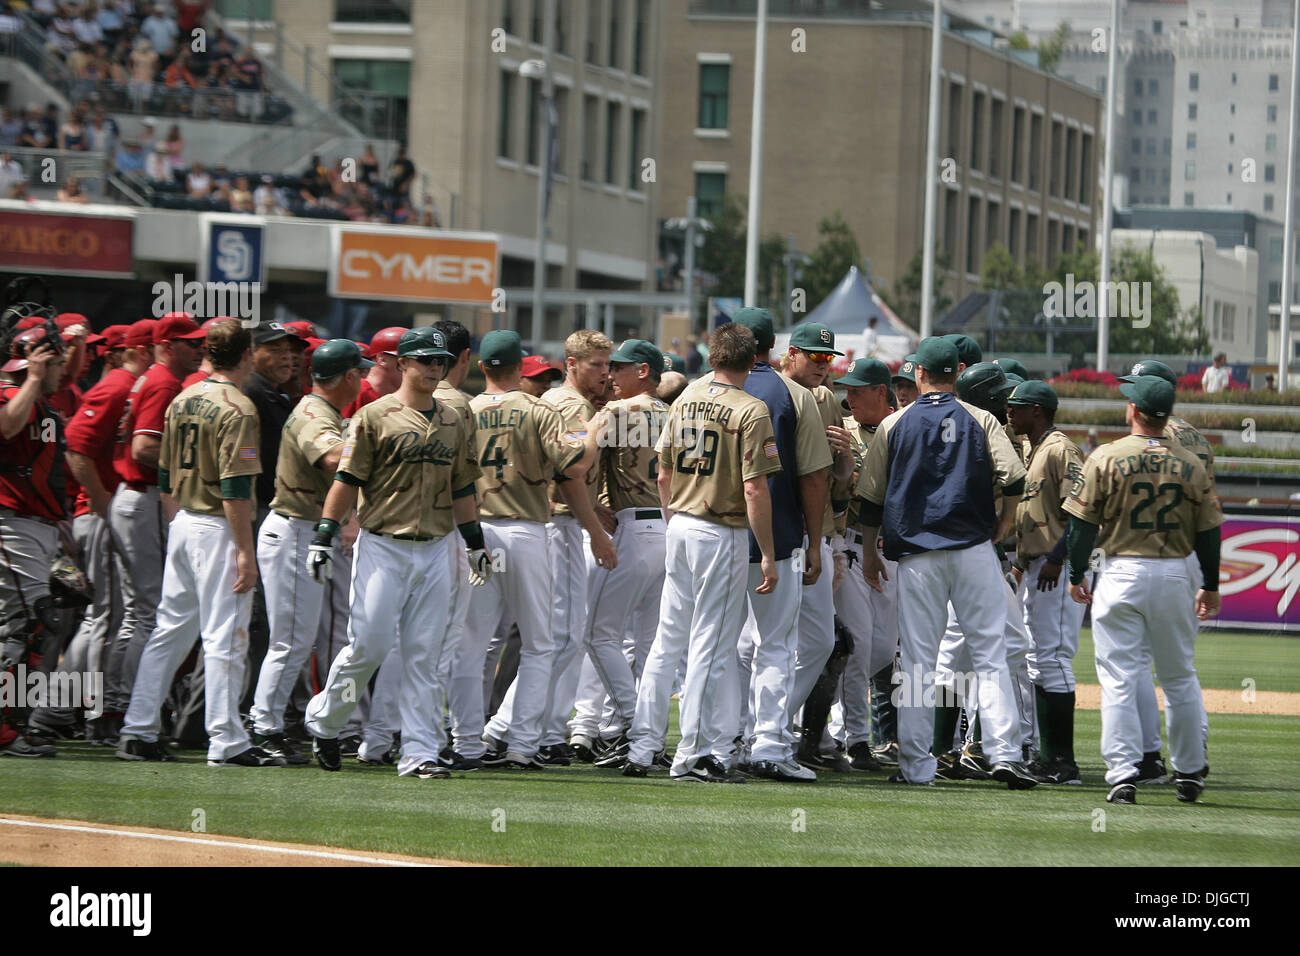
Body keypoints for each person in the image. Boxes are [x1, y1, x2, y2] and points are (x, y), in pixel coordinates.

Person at [854, 337, 1035, 789]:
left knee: (918, 663)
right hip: (974, 551)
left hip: (918, 557)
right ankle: (1006, 754)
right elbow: (1014, 476)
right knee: (991, 656)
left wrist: (871, 551)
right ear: (957, 371)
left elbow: (870, 498)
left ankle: (917, 767)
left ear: (917, 373)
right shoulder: (981, 418)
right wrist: (1005, 522)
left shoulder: (895, 423)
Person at [305, 327, 486, 779]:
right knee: (370, 644)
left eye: (439, 360)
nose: (433, 367)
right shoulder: (372, 416)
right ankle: (326, 721)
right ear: (401, 363)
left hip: (436, 545)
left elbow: (462, 485)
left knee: (425, 653)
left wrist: (475, 542)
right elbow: (347, 480)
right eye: (423, 359)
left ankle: (420, 752)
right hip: (383, 544)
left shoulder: (456, 417)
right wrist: (325, 533)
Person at [117, 319, 280, 767]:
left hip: (185, 521)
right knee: (226, 636)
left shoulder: (184, 396)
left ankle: (138, 729)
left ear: (208, 352)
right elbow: (234, 488)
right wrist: (245, 553)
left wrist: (178, 524)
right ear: (247, 354)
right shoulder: (239, 407)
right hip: (217, 526)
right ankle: (226, 740)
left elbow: (165, 472)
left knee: (170, 631)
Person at [621, 323, 780, 782]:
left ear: (712, 357)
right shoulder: (751, 408)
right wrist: (767, 553)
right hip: (720, 529)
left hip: (681, 523)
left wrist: (676, 523)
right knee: (710, 644)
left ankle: (643, 745)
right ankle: (690, 754)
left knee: (667, 642)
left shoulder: (685, 396)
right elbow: (755, 489)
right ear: (752, 361)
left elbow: (664, 475)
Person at [1064, 375, 1222, 805]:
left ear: (1133, 411)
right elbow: (1209, 532)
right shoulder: (1191, 462)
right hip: (1174, 572)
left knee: (1118, 678)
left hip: (1120, 573)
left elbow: (1081, 525)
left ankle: (1123, 776)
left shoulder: (1107, 456)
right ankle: (1189, 774)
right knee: (1179, 676)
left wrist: (1077, 572)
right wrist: (1210, 583)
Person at [448, 330, 593, 769]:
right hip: (526, 531)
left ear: (480, 366)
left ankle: (466, 742)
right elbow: (575, 464)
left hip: (475, 530)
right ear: (519, 365)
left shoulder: (464, 410)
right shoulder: (538, 408)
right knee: (539, 643)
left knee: (471, 644)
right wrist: (594, 432)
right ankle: (522, 746)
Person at [482, 331, 617, 765]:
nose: (605, 372)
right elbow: (573, 470)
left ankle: (539, 730)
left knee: (554, 637)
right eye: (596, 364)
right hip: (554, 525)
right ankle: (504, 729)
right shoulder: (571, 406)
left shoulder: (557, 402)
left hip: (543, 524)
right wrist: (596, 526)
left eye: (607, 364)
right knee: (558, 636)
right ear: (573, 363)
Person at [249, 340, 369, 765]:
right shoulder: (314, 412)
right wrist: (365, 436)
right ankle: (264, 727)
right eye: (360, 372)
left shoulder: (325, 411)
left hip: (305, 531)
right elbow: (336, 459)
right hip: (296, 530)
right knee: (292, 643)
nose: (363, 379)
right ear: (349, 377)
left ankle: (271, 724)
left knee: (298, 641)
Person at [726, 308, 832, 783]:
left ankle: (717, 742)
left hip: (714, 536)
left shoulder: (700, 391)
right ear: (774, 347)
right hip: (780, 536)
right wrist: (813, 542)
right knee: (774, 645)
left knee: (716, 645)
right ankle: (767, 743)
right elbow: (814, 477)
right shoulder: (794, 395)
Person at [36, 326, 149, 746]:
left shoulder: (124, 384)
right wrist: (103, 504)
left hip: (95, 513)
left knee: (104, 619)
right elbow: (76, 448)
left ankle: (59, 710)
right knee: (102, 619)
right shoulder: (118, 385)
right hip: (96, 513)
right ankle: (79, 712)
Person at [567, 340, 670, 762]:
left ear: (643, 371)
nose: (612, 375)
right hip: (672, 527)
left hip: (634, 528)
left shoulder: (615, 412)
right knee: (648, 643)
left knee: (598, 634)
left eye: (621, 368)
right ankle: (646, 734)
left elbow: (576, 461)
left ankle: (633, 724)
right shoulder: (675, 411)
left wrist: (588, 506)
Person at [105, 313, 205, 724]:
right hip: (142, 497)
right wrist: (186, 467)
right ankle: (130, 703)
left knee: (135, 611)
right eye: (189, 342)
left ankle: (115, 704)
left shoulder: (157, 377)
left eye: (200, 342)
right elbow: (144, 448)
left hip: (136, 498)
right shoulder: (163, 381)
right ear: (166, 346)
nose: (198, 348)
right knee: (148, 609)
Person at [779, 323, 855, 773]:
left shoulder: (825, 399)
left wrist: (845, 455)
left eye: (829, 360)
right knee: (756, 642)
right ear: (792, 354)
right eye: (816, 358)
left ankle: (772, 724)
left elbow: (839, 479)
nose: (824, 368)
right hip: (773, 532)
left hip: (818, 534)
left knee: (822, 640)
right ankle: (744, 730)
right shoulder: (770, 390)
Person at [1005, 380, 1087, 785]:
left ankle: (1063, 762)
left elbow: (1080, 509)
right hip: (1038, 565)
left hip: (1057, 567)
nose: (1009, 412)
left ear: (1036, 410)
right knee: (1038, 659)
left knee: (1050, 660)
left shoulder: (1060, 449)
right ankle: (1048, 757)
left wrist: (1057, 559)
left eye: (1016, 407)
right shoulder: (1034, 449)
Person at [0, 326, 67, 758]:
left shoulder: (41, 401)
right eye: (57, 361)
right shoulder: (10, 393)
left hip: (38, 526)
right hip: (12, 524)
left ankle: (14, 724)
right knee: (27, 624)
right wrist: (35, 378)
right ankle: (6, 728)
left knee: (32, 625)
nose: (64, 370)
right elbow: (6, 428)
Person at [826, 360, 896, 771]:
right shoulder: (843, 431)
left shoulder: (902, 426)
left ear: (881, 393)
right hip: (852, 546)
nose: (847, 398)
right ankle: (857, 738)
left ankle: (824, 718)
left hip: (894, 551)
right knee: (860, 646)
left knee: (884, 650)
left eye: (857, 390)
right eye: (845, 390)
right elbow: (836, 488)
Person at [342, 327, 407, 417]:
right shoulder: (356, 393)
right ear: (383, 359)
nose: (413, 366)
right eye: (404, 361)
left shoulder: (410, 397)